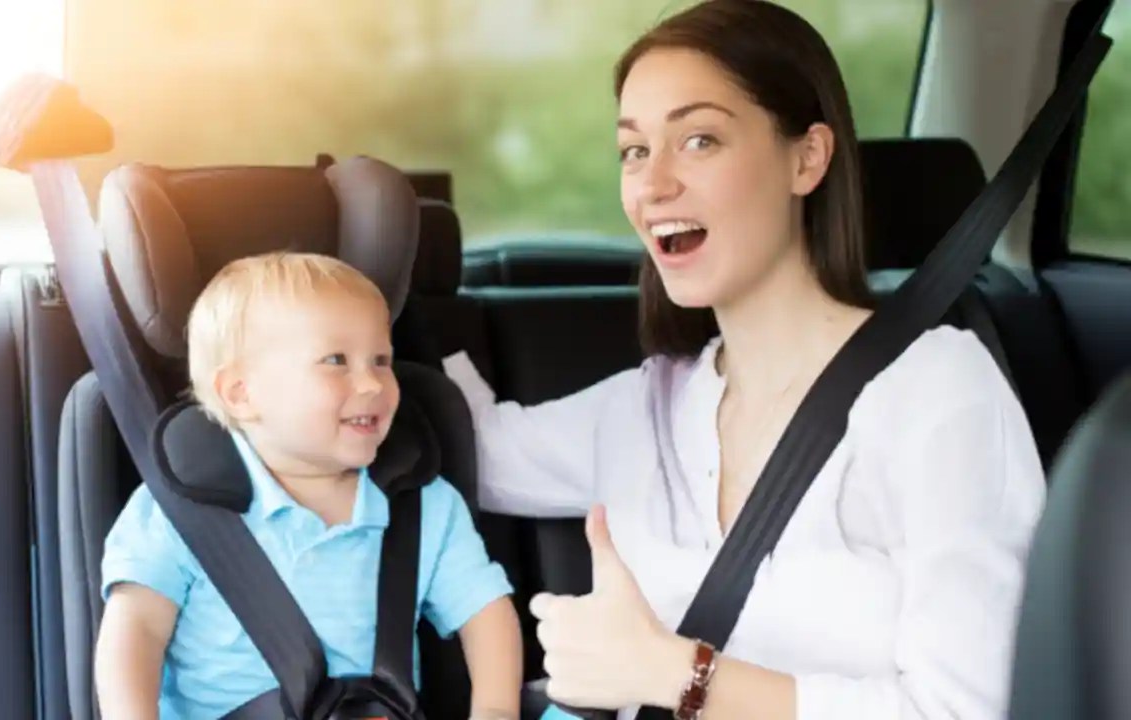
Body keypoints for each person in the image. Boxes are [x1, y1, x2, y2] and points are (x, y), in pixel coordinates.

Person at [440, 1, 1045, 719]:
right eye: (634, 150)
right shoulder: (645, 410)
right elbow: (470, 443)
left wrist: (676, 675)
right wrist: (394, 288)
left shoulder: (937, 392)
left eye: (699, 140)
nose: (652, 184)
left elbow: (976, 710)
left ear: (807, 158)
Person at [94, 252, 522, 720]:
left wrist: (496, 711)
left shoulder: (425, 506)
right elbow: (136, 631)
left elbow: (485, 612)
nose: (372, 383)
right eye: (336, 361)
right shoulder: (179, 511)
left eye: (381, 360)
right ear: (242, 393)